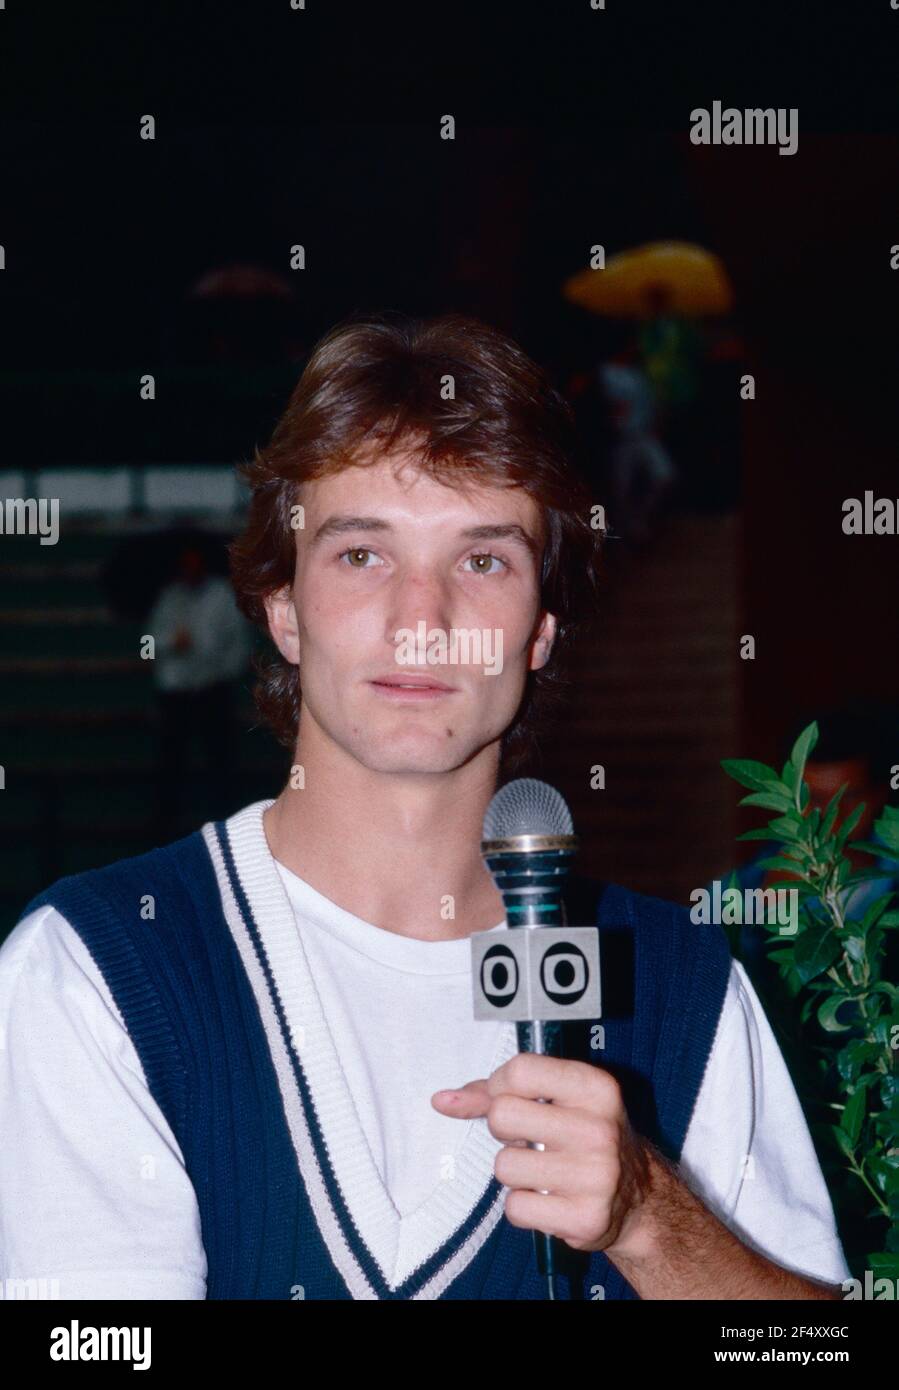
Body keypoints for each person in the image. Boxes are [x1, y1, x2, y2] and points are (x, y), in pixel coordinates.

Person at [0, 313, 850, 1300]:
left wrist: (649, 1217)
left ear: (538, 629)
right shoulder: (96, 971)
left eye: (481, 559)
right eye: (361, 554)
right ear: (281, 605)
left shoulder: (685, 986)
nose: (422, 618)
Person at [146, 537, 254, 833]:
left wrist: (221, 674)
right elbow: (149, 644)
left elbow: (238, 645)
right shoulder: (169, 598)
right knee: (171, 759)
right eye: (185, 565)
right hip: (177, 692)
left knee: (219, 758)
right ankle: (165, 821)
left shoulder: (221, 596)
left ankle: (225, 819)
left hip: (212, 689)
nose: (190, 569)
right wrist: (172, 643)